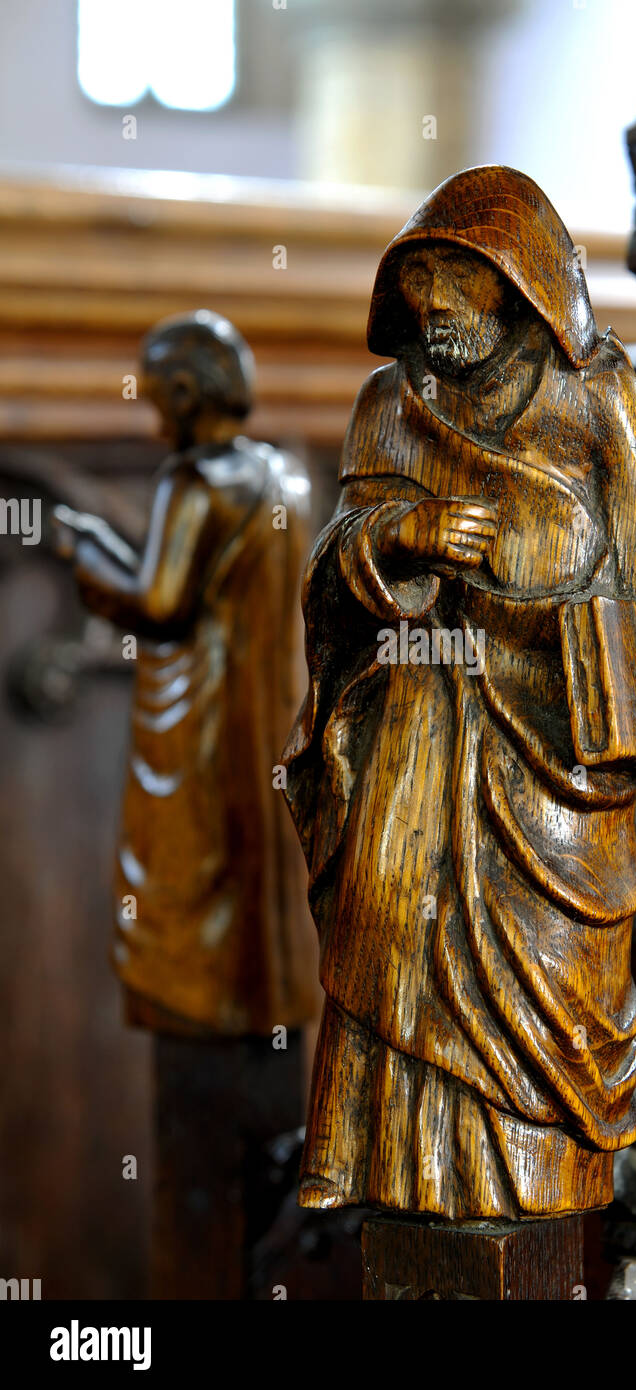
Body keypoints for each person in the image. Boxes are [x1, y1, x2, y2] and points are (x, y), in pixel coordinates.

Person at [281, 167, 636, 1219]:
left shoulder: (593, 389)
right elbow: (334, 567)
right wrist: (399, 536)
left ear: (518, 280)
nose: (434, 308)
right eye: (418, 283)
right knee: (389, 917)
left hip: (554, 713)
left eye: (455, 280)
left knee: (550, 963)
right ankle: (367, 1146)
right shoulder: (390, 404)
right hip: (420, 723)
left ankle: (532, 1152)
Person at [53, 309, 318, 1035]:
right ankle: (263, 1002)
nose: (154, 422)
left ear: (183, 392)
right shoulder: (283, 477)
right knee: (255, 887)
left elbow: (160, 603)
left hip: (202, 726)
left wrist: (84, 555)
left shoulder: (195, 482)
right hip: (267, 715)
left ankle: (211, 1011)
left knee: (188, 903)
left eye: (154, 399)